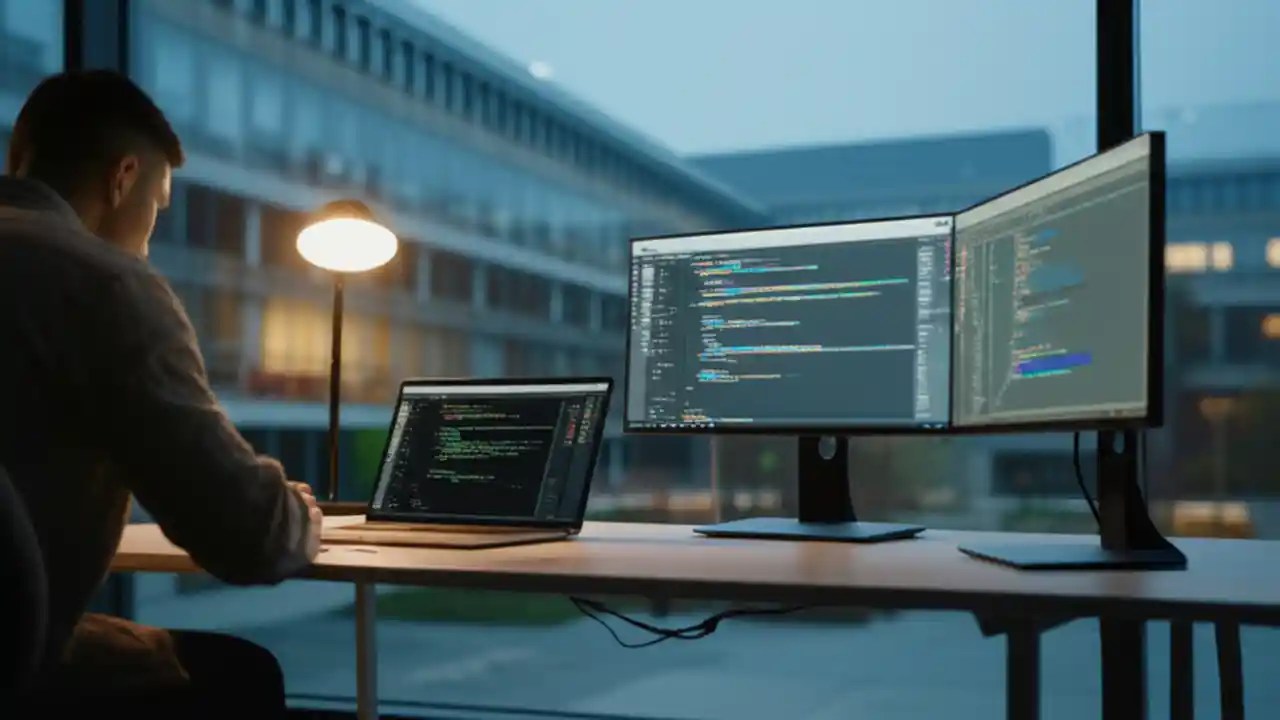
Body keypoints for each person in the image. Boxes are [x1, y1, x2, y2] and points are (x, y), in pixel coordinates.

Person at [0, 70, 322, 717]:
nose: (148, 241)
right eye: (156, 208)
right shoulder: (103, 286)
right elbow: (248, 537)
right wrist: (300, 513)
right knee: (241, 673)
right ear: (122, 179)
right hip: (13, 664)